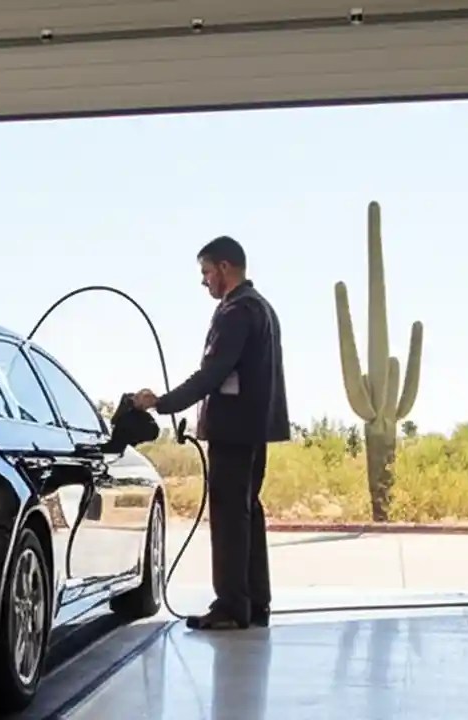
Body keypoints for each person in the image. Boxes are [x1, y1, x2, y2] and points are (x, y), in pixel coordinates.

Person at [133, 235, 290, 630]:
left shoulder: (235, 311)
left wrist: (162, 402)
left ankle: (231, 607)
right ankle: (255, 603)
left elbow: (213, 372)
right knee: (247, 511)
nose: (204, 281)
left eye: (206, 272)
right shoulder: (263, 309)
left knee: (229, 516)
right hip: (255, 428)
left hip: (233, 430)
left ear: (224, 268)